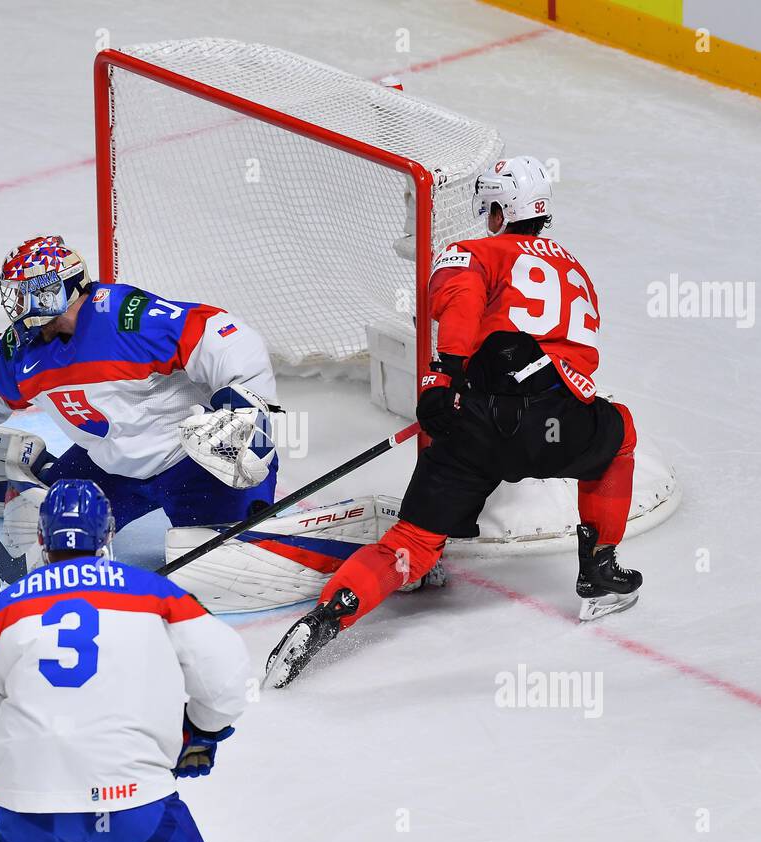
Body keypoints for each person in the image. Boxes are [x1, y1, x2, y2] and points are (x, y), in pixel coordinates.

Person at [265, 156, 642, 688]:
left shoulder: (473, 251)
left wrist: (445, 376)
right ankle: (600, 569)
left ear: (496, 211)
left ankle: (327, 617)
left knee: (411, 542)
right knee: (621, 432)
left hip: (480, 425)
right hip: (560, 422)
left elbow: (460, 302)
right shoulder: (574, 268)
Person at [0, 235, 279, 568]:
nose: (13, 306)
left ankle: (241, 518)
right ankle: (24, 470)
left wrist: (245, 408)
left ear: (52, 292)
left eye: (22, 294)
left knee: (210, 561)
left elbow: (225, 335)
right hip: (109, 468)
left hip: (194, 464)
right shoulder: (24, 350)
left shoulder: (126, 320)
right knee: (39, 530)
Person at [0, 479, 249, 842]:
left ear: (41, 536)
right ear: (109, 533)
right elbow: (227, 675)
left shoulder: (0, 609)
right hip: (133, 801)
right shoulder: (157, 593)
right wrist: (200, 731)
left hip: (33, 806)